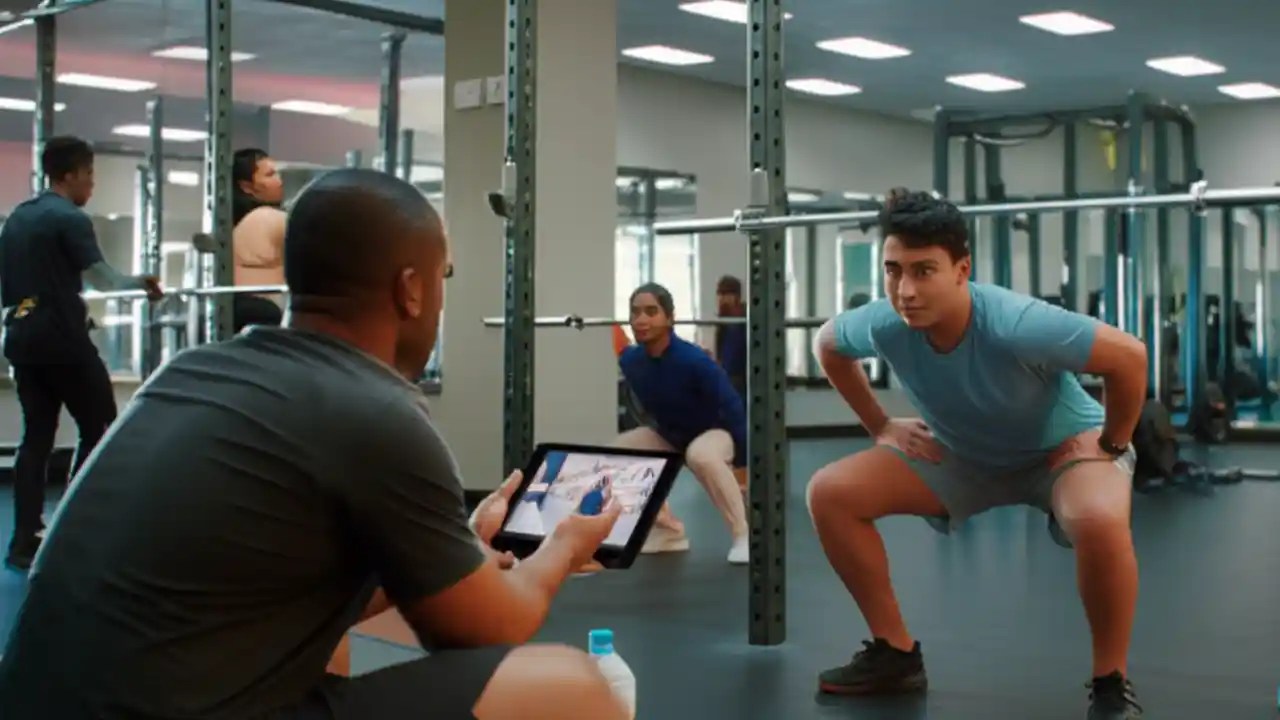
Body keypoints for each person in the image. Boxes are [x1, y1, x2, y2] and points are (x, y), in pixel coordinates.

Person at [0, 168, 630, 720]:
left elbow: (292, 586)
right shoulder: (375, 409)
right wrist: (563, 546)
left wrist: (459, 542)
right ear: (411, 288)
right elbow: (491, 626)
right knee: (572, 688)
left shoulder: (192, 371)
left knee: (369, 638)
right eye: (443, 278)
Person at [807, 188, 1147, 720]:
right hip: (964, 457)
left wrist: (1113, 444)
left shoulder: (1016, 322)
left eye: (924, 271)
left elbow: (1129, 357)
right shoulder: (883, 322)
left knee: (1099, 518)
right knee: (830, 492)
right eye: (894, 270)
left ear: (962, 269)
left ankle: (1110, 682)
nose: (905, 290)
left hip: (1061, 453)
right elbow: (827, 345)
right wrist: (880, 425)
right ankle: (894, 655)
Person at [0, 135, 162, 571]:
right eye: (89, 175)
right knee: (102, 426)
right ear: (69, 175)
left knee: (36, 437)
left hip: (20, 336)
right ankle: (70, 530)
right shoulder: (69, 218)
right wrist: (142, 284)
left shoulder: (17, 218)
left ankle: (23, 540)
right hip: (60, 339)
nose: (92, 184)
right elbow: (107, 282)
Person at [613, 282, 750, 565]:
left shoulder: (695, 361)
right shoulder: (632, 361)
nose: (641, 320)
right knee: (619, 450)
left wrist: (745, 460)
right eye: (635, 312)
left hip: (715, 433)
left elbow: (733, 407)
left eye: (651, 312)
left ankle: (744, 536)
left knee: (700, 454)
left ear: (670, 318)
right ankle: (667, 532)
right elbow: (618, 344)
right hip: (673, 436)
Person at [232, 147, 287, 333]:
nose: (280, 181)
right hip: (263, 316)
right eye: (270, 175)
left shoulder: (239, 223)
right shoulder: (266, 218)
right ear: (247, 187)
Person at [711, 274, 746, 401]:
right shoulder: (723, 320)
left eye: (725, 295)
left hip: (742, 380)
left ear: (735, 296)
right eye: (719, 295)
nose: (721, 299)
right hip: (727, 379)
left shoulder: (745, 320)